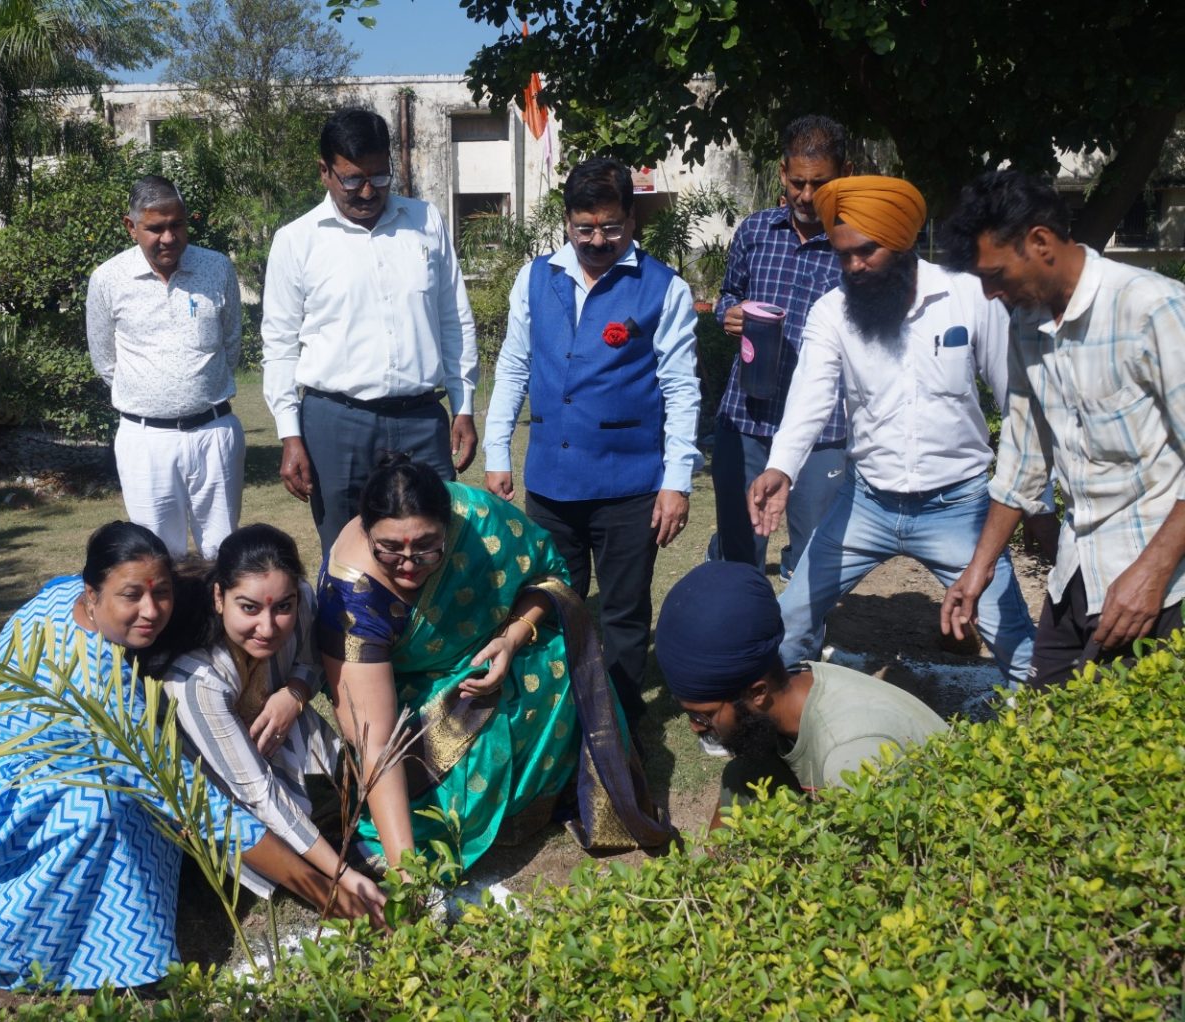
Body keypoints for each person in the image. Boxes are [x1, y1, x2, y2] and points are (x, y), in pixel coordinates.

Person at [0, 522, 381, 990]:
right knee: (115, 811)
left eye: (162, 592)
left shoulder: (61, 594)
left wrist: (294, 687)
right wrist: (330, 893)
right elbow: (206, 808)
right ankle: (71, 945)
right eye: (132, 595)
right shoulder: (117, 691)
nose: (151, 610)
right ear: (92, 592)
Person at [747, 175, 1036, 702]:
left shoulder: (967, 295)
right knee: (790, 622)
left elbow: (1016, 399)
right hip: (866, 504)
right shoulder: (832, 312)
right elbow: (810, 399)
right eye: (844, 256)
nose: (854, 267)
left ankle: (1047, 748)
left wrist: (1023, 495)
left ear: (902, 241)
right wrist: (781, 468)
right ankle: (783, 729)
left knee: (1019, 647)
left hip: (959, 507)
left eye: (867, 251)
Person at [317, 456, 673, 870]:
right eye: (390, 549)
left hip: (486, 653)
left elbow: (550, 577)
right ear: (366, 530)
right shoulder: (352, 599)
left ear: (449, 525)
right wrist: (405, 869)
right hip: (402, 697)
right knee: (450, 800)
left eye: (427, 547)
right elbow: (375, 742)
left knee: (556, 661)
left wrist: (510, 639)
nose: (409, 564)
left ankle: (548, 791)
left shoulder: (478, 521)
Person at [939, 170, 1185, 690]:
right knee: (1040, 725)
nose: (988, 293)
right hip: (1077, 571)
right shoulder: (1025, 324)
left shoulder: (1152, 309)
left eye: (995, 273)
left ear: (1041, 242)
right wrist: (978, 570)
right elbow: (1022, 464)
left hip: (1158, 589)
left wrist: (1153, 573)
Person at [483, 156, 702, 726]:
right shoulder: (535, 278)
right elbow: (513, 366)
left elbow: (681, 389)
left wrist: (676, 482)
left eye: (611, 227)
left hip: (629, 485)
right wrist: (497, 451)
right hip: (551, 482)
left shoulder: (663, 288)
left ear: (632, 218)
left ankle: (621, 727)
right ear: (566, 221)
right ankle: (555, 723)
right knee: (551, 603)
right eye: (585, 229)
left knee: (625, 614)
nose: (598, 240)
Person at [262, 108, 479, 555]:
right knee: (346, 554)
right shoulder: (297, 240)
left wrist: (464, 405)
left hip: (422, 418)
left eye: (380, 178)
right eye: (353, 179)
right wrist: (290, 434)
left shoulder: (426, 222)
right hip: (335, 421)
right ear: (325, 171)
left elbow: (453, 319)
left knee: (436, 545)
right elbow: (280, 345)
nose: (367, 191)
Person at [656, 560, 947, 830]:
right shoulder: (792, 695)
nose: (695, 726)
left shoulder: (850, 757)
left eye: (703, 715)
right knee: (741, 777)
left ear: (757, 693)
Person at [161, 523, 365, 900]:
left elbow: (314, 658)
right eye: (249, 608)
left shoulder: (300, 598)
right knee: (270, 830)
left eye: (282, 608)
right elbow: (256, 792)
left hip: (269, 743)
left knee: (340, 787)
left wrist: (296, 692)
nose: (268, 628)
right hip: (216, 777)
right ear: (219, 597)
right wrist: (345, 877)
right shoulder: (197, 679)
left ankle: (323, 830)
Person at [707, 115, 852, 578]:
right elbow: (728, 293)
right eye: (797, 182)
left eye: (820, 183)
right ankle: (738, 636)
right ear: (782, 173)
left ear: (843, 175)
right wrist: (726, 313)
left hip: (823, 425)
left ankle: (806, 640)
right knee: (741, 542)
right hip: (748, 413)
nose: (807, 196)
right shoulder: (755, 232)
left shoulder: (856, 245)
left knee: (816, 548)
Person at [87, 175, 244, 558]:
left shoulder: (217, 268)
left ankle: (214, 620)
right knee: (155, 558)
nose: (169, 238)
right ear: (131, 227)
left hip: (214, 432)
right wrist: (154, 397)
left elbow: (231, 344)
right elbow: (105, 360)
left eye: (177, 224)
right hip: (145, 440)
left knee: (222, 555)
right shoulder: (108, 279)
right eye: (155, 228)